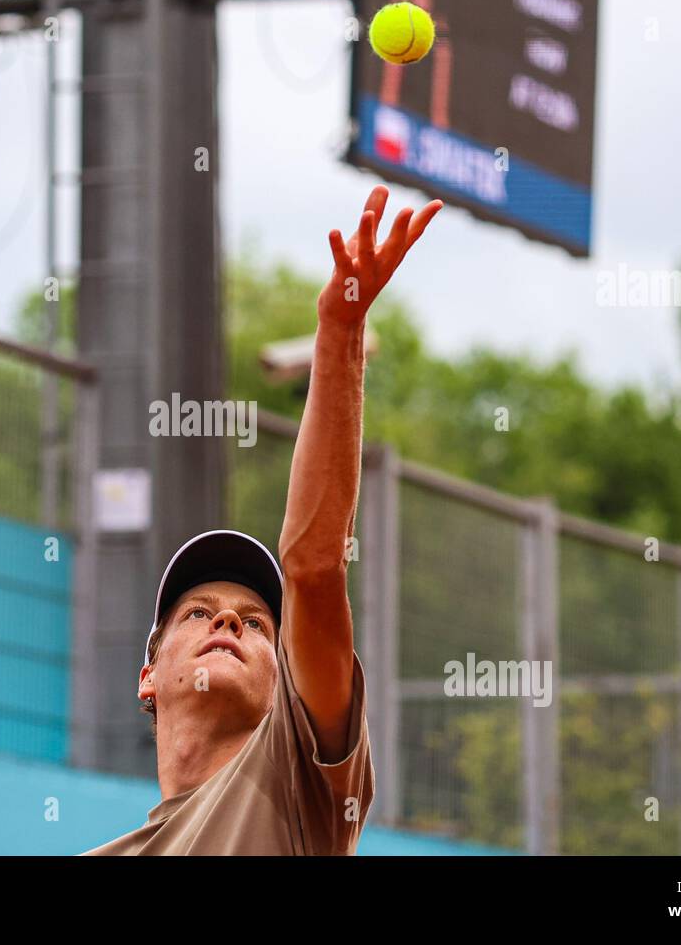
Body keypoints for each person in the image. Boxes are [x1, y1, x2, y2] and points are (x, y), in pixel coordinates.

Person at [84, 187, 443, 855]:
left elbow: (312, 568)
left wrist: (339, 333)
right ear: (148, 678)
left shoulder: (300, 781)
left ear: (285, 685)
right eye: (198, 613)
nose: (228, 622)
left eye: (255, 624)